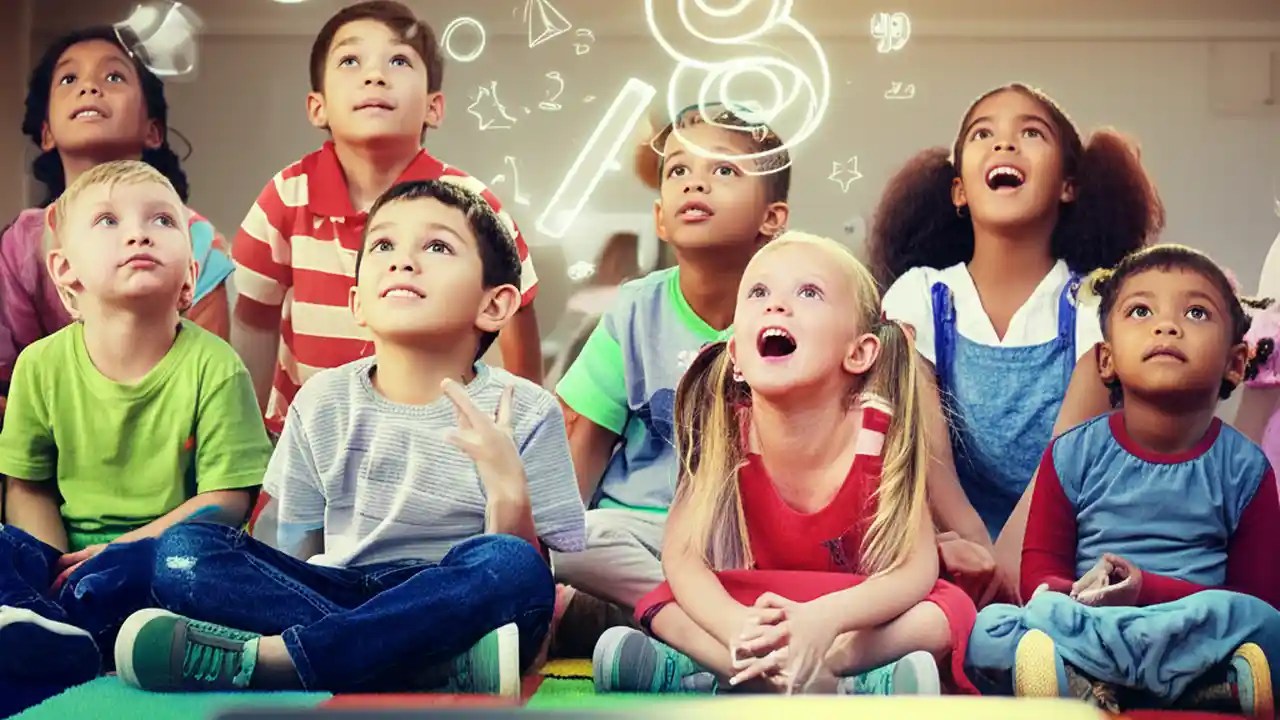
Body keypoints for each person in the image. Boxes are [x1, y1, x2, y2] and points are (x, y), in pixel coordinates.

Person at [114, 179, 585, 698]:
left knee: (511, 568)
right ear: (358, 302)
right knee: (183, 552)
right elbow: (293, 550)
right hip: (342, 585)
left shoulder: (526, 409)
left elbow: (528, 567)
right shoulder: (322, 400)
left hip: (457, 596)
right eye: (384, 245)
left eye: (437, 246)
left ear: (495, 306)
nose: (402, 261)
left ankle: (278, 660)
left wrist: (506, 485)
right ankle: (423, 664)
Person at [592, 232, 977, 696]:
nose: (776, 306)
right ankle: (788, 673)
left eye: (808, 293)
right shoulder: (723, 431)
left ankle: (823, 668)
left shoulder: (880, 432)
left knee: (948, 609)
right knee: (667, 601)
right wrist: (736, 626)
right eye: (758, 293)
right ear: (735, 355)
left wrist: (824, 621)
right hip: (754, 604)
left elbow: (914, 569)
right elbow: (683, 558)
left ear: (859, 352)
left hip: (848, 614)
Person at [872, 83, 1165, 597]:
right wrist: (978, 555)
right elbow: (928, 455)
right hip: (948, 548)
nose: (1004, 144)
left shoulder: (1097, 303)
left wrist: (1012, 563)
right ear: (959, 189)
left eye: (1031, 132)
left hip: (1068, 545)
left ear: (1069, 186)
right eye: (983, 133)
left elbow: (1066, 453)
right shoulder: (918, 294)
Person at [966, 245, 1280, 718]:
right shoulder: (1072, 454)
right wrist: (1088, 591)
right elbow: (1039, 578)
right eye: (1140, 310)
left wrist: (1147, 590)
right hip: (1093, 619)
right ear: (1107, 360)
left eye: (1196, 312)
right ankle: (1115, 681)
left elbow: (1257, 598)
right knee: (993, 626)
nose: (1166, 325)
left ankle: (1102, 684)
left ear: (1235, 363)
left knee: (1268, 625)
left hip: (1194, 630)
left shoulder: (1246, 469)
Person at [0, 160, 270, 686]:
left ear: (191, 275)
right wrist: (54, 569)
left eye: (163, 222)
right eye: (107, 221)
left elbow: (229, 501)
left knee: (196, 564)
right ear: (65, 271)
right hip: (60, 559)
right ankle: (42, 623)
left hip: (159, 555)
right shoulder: (40, 365)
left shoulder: (214, 367)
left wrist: (119, 551)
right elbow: (27, 486)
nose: (139, 233)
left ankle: (82, 635)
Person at [231, 0, 543, 446]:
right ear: (317, 107)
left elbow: (515, 314)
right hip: (309, 441)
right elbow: (255, 319)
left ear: (434, 107)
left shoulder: (472, 204)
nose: (373, 75)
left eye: (399, 60)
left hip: (438, 438)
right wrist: (244, 444)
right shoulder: (287, 195)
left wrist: (518, 438)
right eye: (350, 61)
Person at [549, 106, 789, 652]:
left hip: (738, 542)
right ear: (661, 217)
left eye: (724, 170)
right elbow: (583, 438)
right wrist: (544, 548)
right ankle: (699, 629)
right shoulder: (635, 309)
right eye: (679, 171)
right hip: (642, 533)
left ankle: (665, 636)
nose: (696, 181)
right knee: (574, 541)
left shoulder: (791, 310)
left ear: (773, 217)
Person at [0, 26, 236, 408]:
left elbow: (207, 392)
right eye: (69, 78)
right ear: (46, 133)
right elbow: (10, 383)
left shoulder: (199, 243)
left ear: (152, 130)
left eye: (113, 76)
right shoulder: (22, 244)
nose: (89, 88)